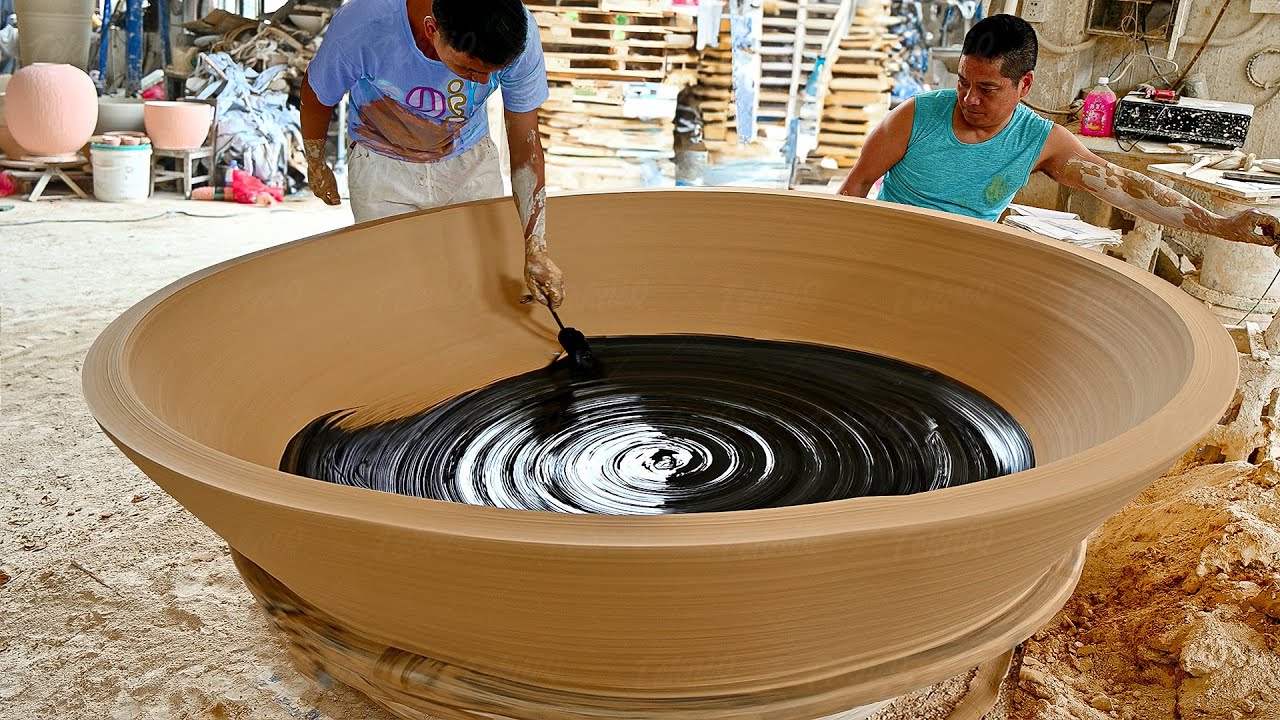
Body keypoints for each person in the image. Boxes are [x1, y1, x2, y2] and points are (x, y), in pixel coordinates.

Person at [837, 14, 1278, 248]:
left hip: (967, 261)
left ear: (1024, 85)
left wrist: (1222, 224)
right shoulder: (914, 116)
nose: (969, 99)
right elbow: (854, 188)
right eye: (963, 83)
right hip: (887, 248)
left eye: (987, 89)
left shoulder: (1039, 141)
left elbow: (1126, 187)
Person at [300, 0, 565, 307]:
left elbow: (525, 142)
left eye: (493, 72)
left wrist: (535, 246)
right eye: (470, 69)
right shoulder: (364, 24)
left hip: (468, 158)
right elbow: (317, 95)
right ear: (431, 29)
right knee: (396, 290)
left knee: (481, 283)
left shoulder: (517, 32)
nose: (483, 81)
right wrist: (315, 162)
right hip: (383, 162)